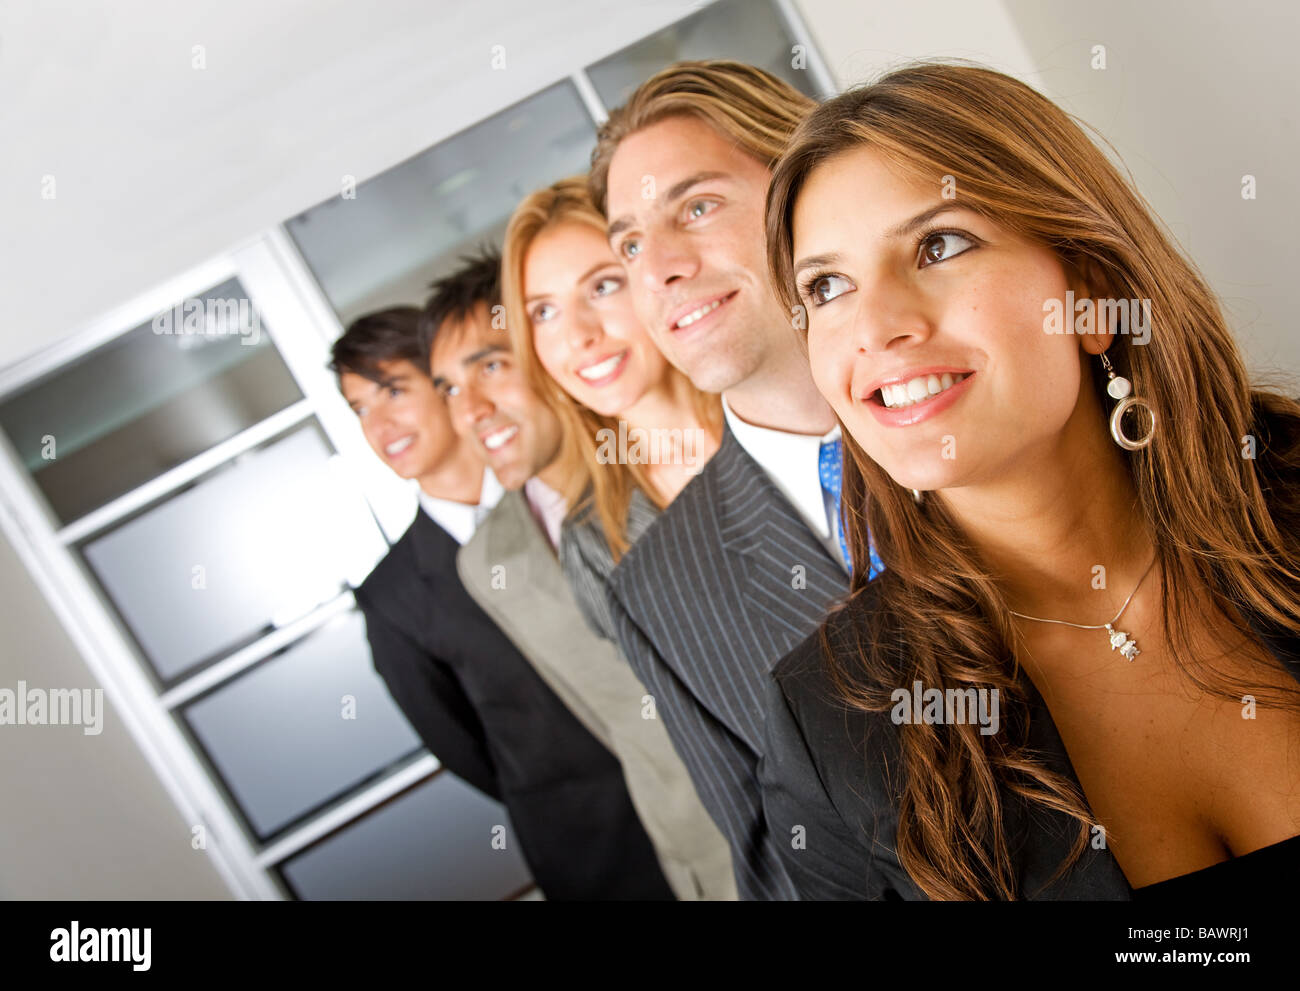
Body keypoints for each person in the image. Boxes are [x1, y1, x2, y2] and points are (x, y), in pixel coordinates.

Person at [760, 62, 1300, 900]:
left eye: (938, 245)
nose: (876, 326)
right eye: (826, 287)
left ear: (1090, 286)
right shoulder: (835, 722)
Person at [586, 59, 882, 900]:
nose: (661, 267)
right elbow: (779, 870)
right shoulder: (658, 590)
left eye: (698, 206)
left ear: (801, 190)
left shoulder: (973, 407)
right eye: (631, 245)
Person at [337, 304, 671, 901]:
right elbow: (461, 747)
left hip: (701, 783)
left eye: (393, 391)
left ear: (445, 386)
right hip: (597, 855)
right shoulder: (392, 597)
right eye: (360, 408)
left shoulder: (562, 493)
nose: (379, 424)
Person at [428, 249, 732, 899]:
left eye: (490, 365)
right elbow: (608, 721)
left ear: (548, 359)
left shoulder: (677, 462)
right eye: (449, 388)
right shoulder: (484, 562)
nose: (471, 409)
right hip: (700, 857)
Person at [500, 174, 722, 639]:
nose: (578, 335)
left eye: (602, 287)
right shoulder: (591, 543)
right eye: (544, 312)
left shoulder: (783, 415)